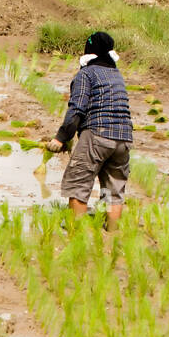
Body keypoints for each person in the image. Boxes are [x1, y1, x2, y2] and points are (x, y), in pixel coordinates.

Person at [46, 31, 132, 231]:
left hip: (97, 135)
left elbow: (77, 108)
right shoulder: (117, 75)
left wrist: (61, 138)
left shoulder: (86, 74)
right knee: (114, 192)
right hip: (124, 138)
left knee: (78, 184)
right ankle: (112, 236)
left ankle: (79, 236)